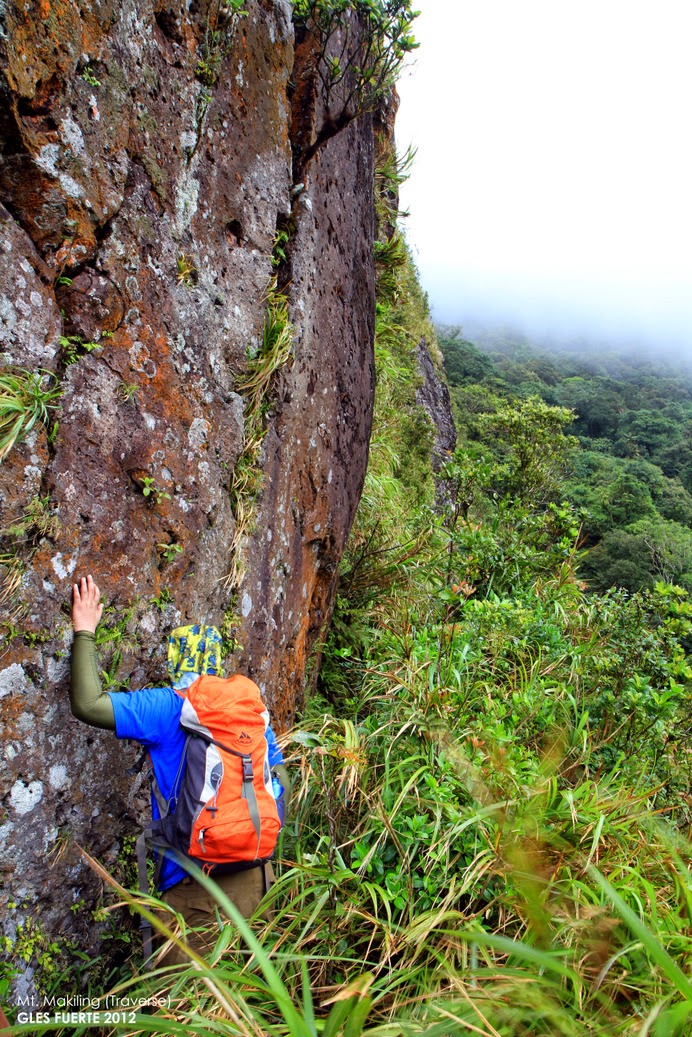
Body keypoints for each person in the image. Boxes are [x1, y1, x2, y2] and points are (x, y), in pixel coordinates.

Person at [70, 574, 288, 963]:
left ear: (174, 661)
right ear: (219, 663)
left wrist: (85, 630)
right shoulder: (252, 715)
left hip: (194, 896)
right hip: (258, 884)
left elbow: (88, 705)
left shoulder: (169, 706)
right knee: (254, 1011)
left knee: (185, 1015)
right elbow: (280, 786)